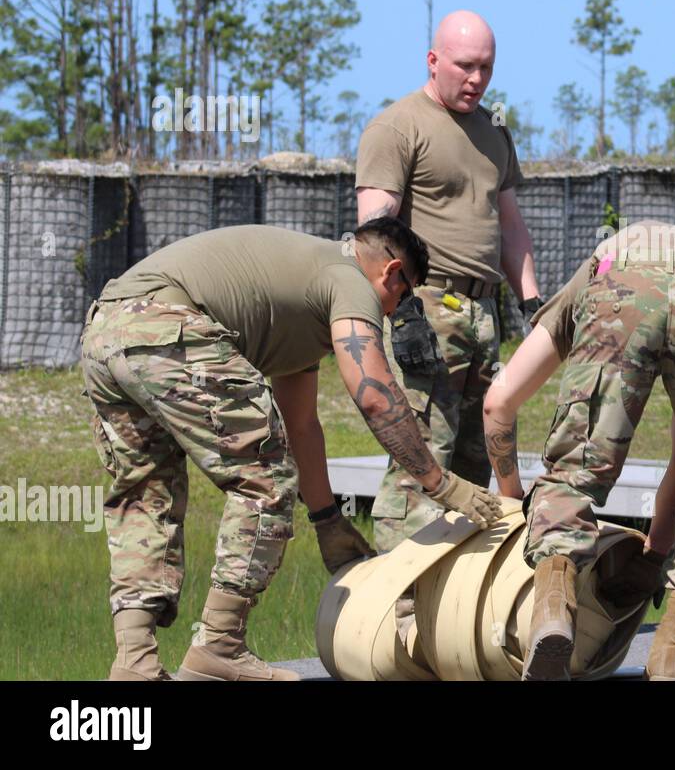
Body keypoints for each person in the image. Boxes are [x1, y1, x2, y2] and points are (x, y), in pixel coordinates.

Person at [81, 217, 501, 682]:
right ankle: (219, 645)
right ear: (392, 271)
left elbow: (302, 426)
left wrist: (327, 521)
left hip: (107, 331)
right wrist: (441, 485)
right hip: (167, 326)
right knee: (265, 479)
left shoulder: (302, 304)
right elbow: (376, 395)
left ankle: (135, 663)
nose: (390, 315)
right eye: (402, 298)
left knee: (145, 493)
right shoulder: (350, 278)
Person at [482, 219, 675, 680]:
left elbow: (498, 402)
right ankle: (670, 656)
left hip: (620, 286)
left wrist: (514, 500)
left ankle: (553, 614)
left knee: (573, 473)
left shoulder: (593, 275)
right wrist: (655, 554)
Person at [355, 9, 541, 555]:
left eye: (486, 67)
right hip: (428, 305)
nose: (476, 79)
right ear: (433, 61)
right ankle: (397, 590)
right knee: (421, 454)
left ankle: (451, 590)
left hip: (484, 311)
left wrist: (533, 305)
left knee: (475, 461)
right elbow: (374, 233)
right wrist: (403, 313)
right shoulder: (397, 126)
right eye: (464, 66)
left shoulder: (494, 131)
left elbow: (510, 226)